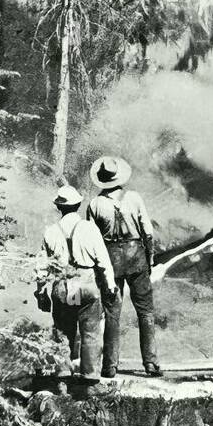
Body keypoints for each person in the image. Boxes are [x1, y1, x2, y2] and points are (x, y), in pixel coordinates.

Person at [86, 156, 161, 378]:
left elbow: (92, 238)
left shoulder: (95, 204)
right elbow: (147, 230)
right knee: (146, 311)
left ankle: (109, 366)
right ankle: (151, 364)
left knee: (112, 313)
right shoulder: (134, 198)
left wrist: (97, 268)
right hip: (136, 256)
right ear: (119, 176)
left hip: (110, 260)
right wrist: (150, 258)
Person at [36, 183, 117, 387]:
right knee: (90, 330)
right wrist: (110, 285)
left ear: (59, 207)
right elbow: (103, 260)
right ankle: (90, 375)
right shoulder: (90, 228)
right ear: (78, 205)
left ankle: (63, 373)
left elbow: (41, 266)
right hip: (86, 282)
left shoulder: (51, 231)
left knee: (62, 331)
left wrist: (40, 292)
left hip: (62, 284)